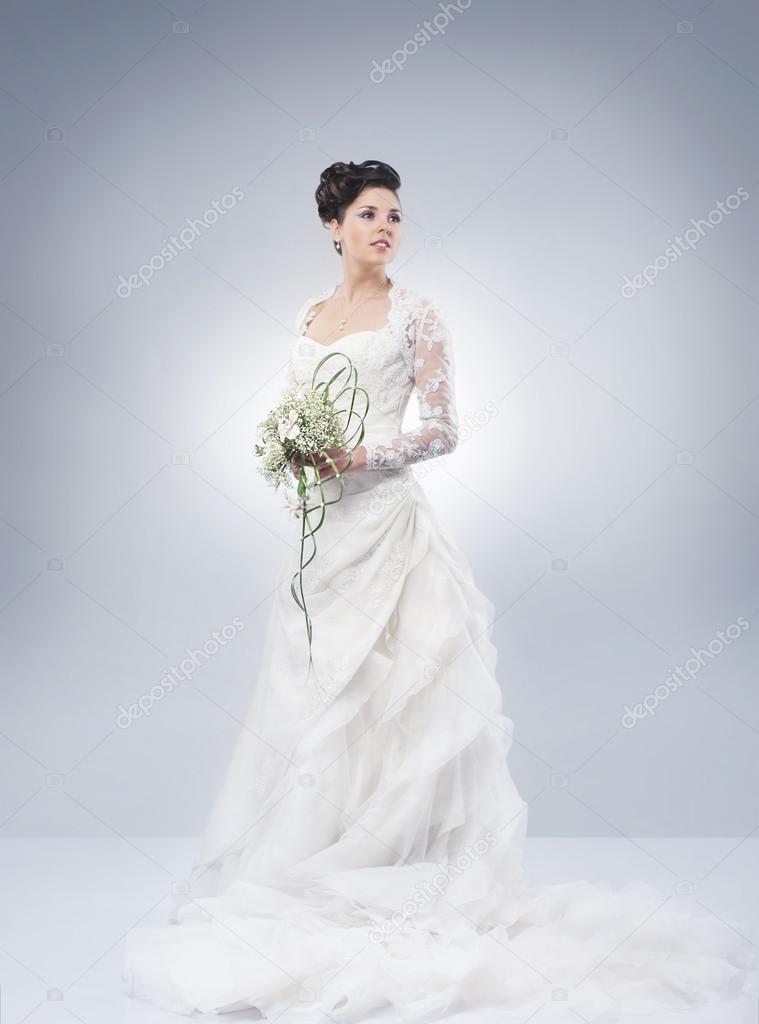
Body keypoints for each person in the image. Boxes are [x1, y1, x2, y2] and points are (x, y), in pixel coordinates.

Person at [122, 160, 756, 1022]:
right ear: (332, 227)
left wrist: (358, 455)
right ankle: (312, 852)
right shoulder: (308, 315)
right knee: (315, 695)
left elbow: (443, 429)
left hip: (389, 530)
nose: (384, 227)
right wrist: (297, 454)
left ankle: (398, 868)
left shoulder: (416, 313)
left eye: (394, 215)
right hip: (321, 539)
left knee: (401, 699)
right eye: (367, 214)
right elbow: (291, 412)